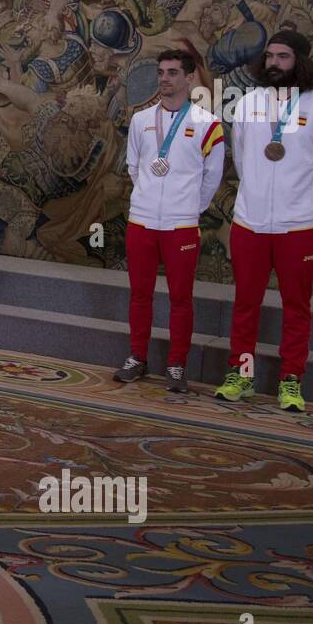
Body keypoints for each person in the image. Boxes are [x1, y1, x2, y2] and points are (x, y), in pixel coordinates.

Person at [215, 29, 313, 411]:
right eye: (270, 56)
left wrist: (304, 205)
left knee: (297, 306)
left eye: (283, 56)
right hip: (250, 224)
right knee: (245, 303)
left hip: (299, 228)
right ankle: (241, 376)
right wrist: (256, 198)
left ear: (301, 62)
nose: (273, 63)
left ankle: (292, 381)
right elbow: (242, 159)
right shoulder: (247, 104)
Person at [114, 49, 225, 392]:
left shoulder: (208, 125)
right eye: (161, 72)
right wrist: (148, 198)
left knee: (181, 298)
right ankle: (137, 357)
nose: (164, 78)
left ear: (190, 78)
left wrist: (188, 208)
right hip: (142, 222)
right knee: (140, 294)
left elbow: (212, 177)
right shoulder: (141, 120)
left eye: (173, 72)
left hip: (181, 226)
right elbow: (134, 167)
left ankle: (177, 365)